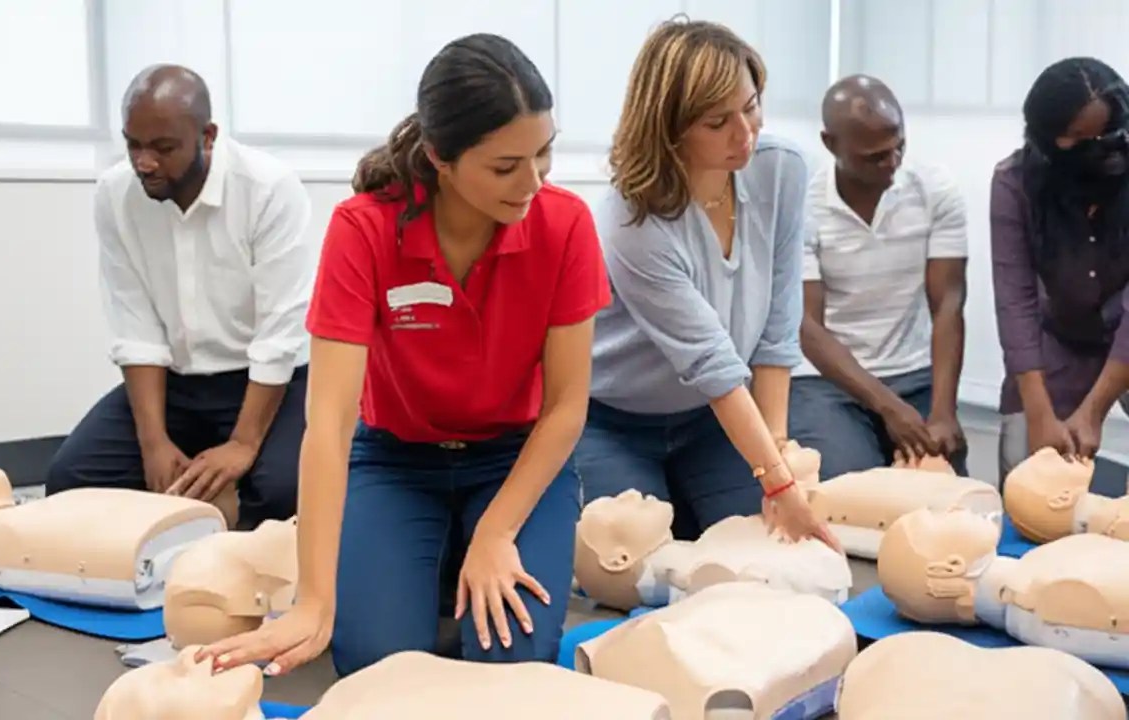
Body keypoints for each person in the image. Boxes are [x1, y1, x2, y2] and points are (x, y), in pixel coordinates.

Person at [197, 33, 609, 678]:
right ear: (441, 158)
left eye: (544, 154)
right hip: (395, 459)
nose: (532, 182)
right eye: (506, 166)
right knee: (374, 664)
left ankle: (463, 551)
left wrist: (498, 532)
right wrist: (312, 603)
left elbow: (566, 406)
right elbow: (329, 425)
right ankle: (434, 566)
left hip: (514, 456)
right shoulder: (364, 228)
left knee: (511, 661)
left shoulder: (566, 224)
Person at [572, 18, 839, 548]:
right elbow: (711, 363)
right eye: (717, 122)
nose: (745, 133)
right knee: (636, 566)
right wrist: (778, 481)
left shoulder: (782, 170)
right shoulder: (631, 221)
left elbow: (779, 326)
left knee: (765, 550)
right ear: (669, 127)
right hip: (613, 419)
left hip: (711, 419)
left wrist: (778, 445)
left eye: (751, 105)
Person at [45, 65, 315, 529]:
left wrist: (243, 444)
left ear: (207, 136)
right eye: (133, 144)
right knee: (71, 481)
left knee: (284, 492)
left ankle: (215, 543)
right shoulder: (115, 193)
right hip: (177, 385)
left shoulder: (269, 188)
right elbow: (135, 326)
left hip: (273, 383)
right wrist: (153, 442)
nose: (144, 161)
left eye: (163, 148)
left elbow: (279, 334)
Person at [790, 74, 969, 481]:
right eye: (874, 156)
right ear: (830, 143)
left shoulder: (934, 190)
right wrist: (887, 407)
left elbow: (949, 303)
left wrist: (943, 412)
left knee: (944, 486)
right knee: (854, 487)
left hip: (915, 374)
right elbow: (807, 326)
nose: (891, 162)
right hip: (826, 381)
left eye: (898, 147)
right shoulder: (804, 204)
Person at [991, 57, 1129, 490]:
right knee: (1025, 472)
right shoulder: (1015, 183)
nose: (1099, 152)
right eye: (1079, 141)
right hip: (1060, 338)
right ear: (1047, 141)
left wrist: (1093, 411)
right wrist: (1039, 413)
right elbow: (1014, 300)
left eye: (1108, 138)